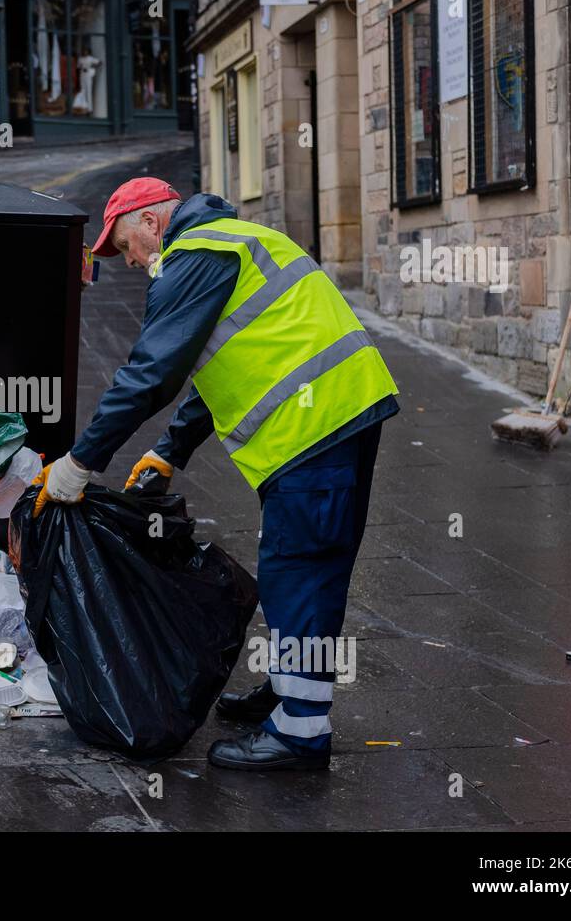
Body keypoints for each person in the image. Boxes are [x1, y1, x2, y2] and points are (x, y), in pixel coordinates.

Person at [34, 177, 399, 771]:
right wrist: (170, 452)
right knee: (313, 563)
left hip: (312, 426)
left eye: (125, 244)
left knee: (298, 568)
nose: (128, 261)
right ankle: (291, 693)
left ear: (152, 222)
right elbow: (229, 356)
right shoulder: (238, 238)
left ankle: (301, 733)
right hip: (346, 407)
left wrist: (79, 464)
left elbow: (151, 372)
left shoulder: (194, 253)